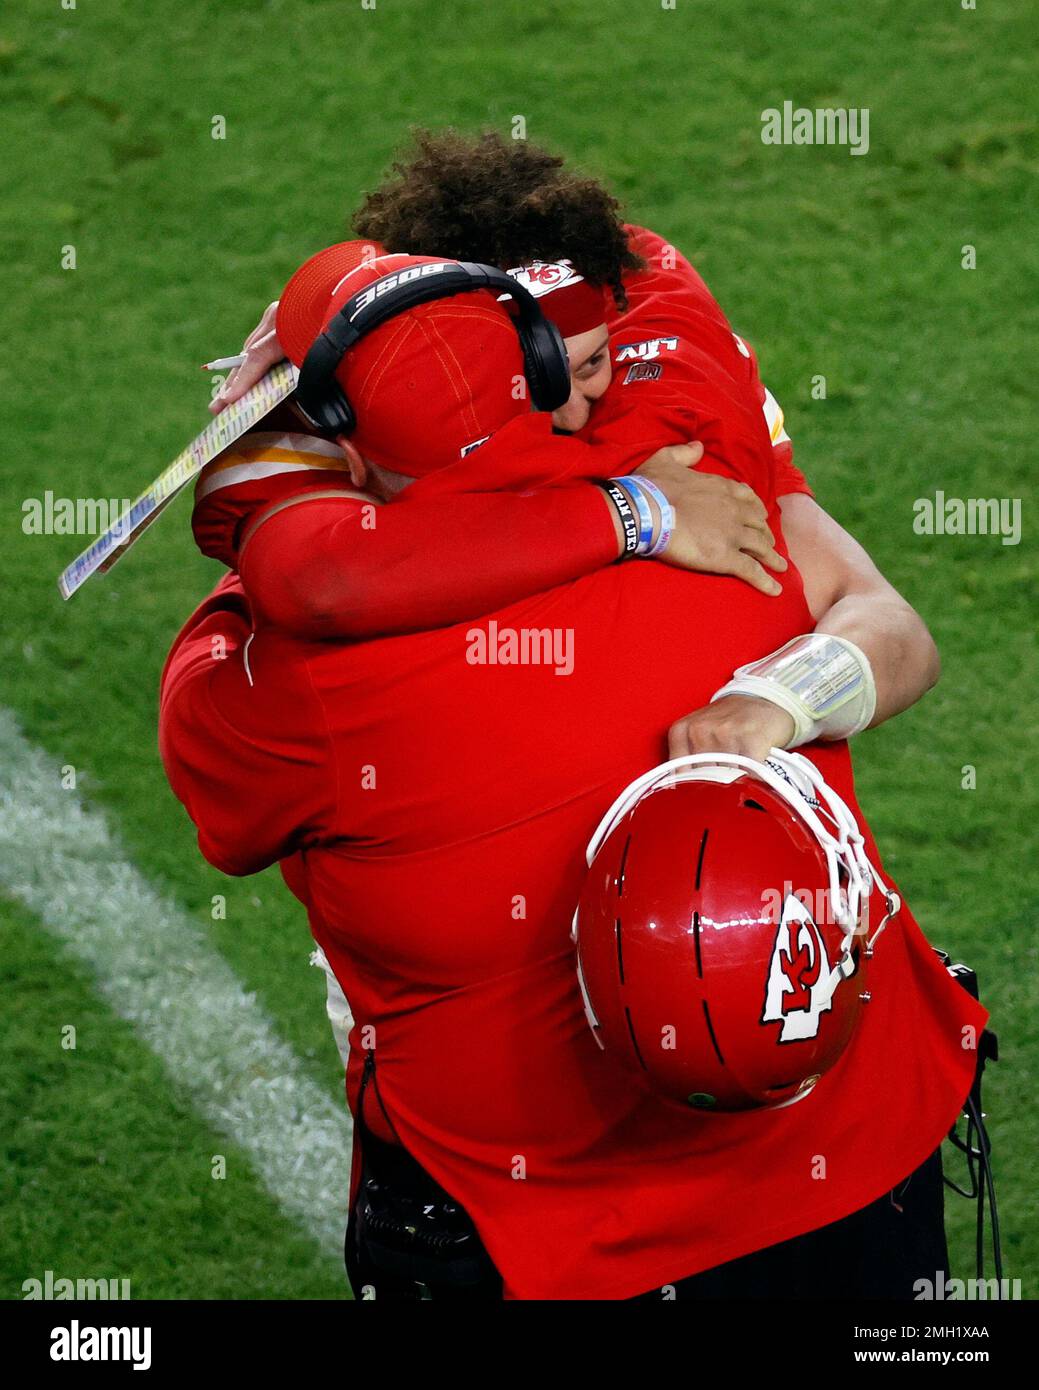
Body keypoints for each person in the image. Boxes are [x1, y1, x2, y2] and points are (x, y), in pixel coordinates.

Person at [160, 248, 987, 1301]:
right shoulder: (708, 477)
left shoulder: (304, 676)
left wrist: (257, 501)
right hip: (857, 1162)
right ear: (543, 368)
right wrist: (781, 694)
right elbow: (893, 629)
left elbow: (227, 753)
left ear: (345, 443)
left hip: (536, 1234)